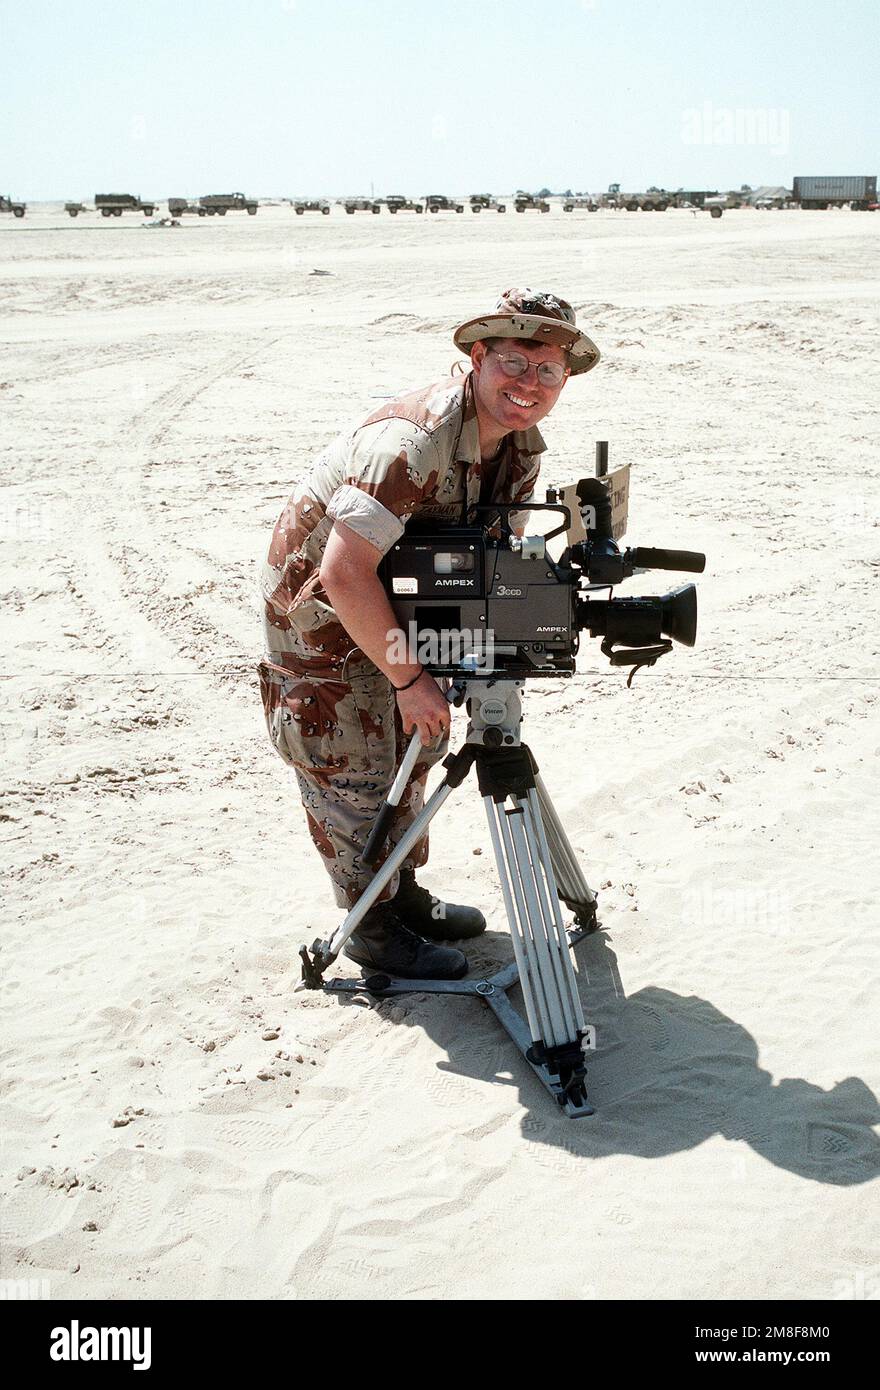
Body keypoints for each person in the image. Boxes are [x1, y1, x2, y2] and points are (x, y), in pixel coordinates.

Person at [259, 288, 600, 980]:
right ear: (478, 358)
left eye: (547, 373)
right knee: (358, 772)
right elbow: (346, 573)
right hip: (326, 622)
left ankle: (402, 895)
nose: (528, 386)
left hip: (411, 603)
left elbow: (495, 550)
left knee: (418, 745)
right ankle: (371, 927)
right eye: (514, 363)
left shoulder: (519, 446)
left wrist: (468, 650)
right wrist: (411, 676)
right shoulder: (411, 444)